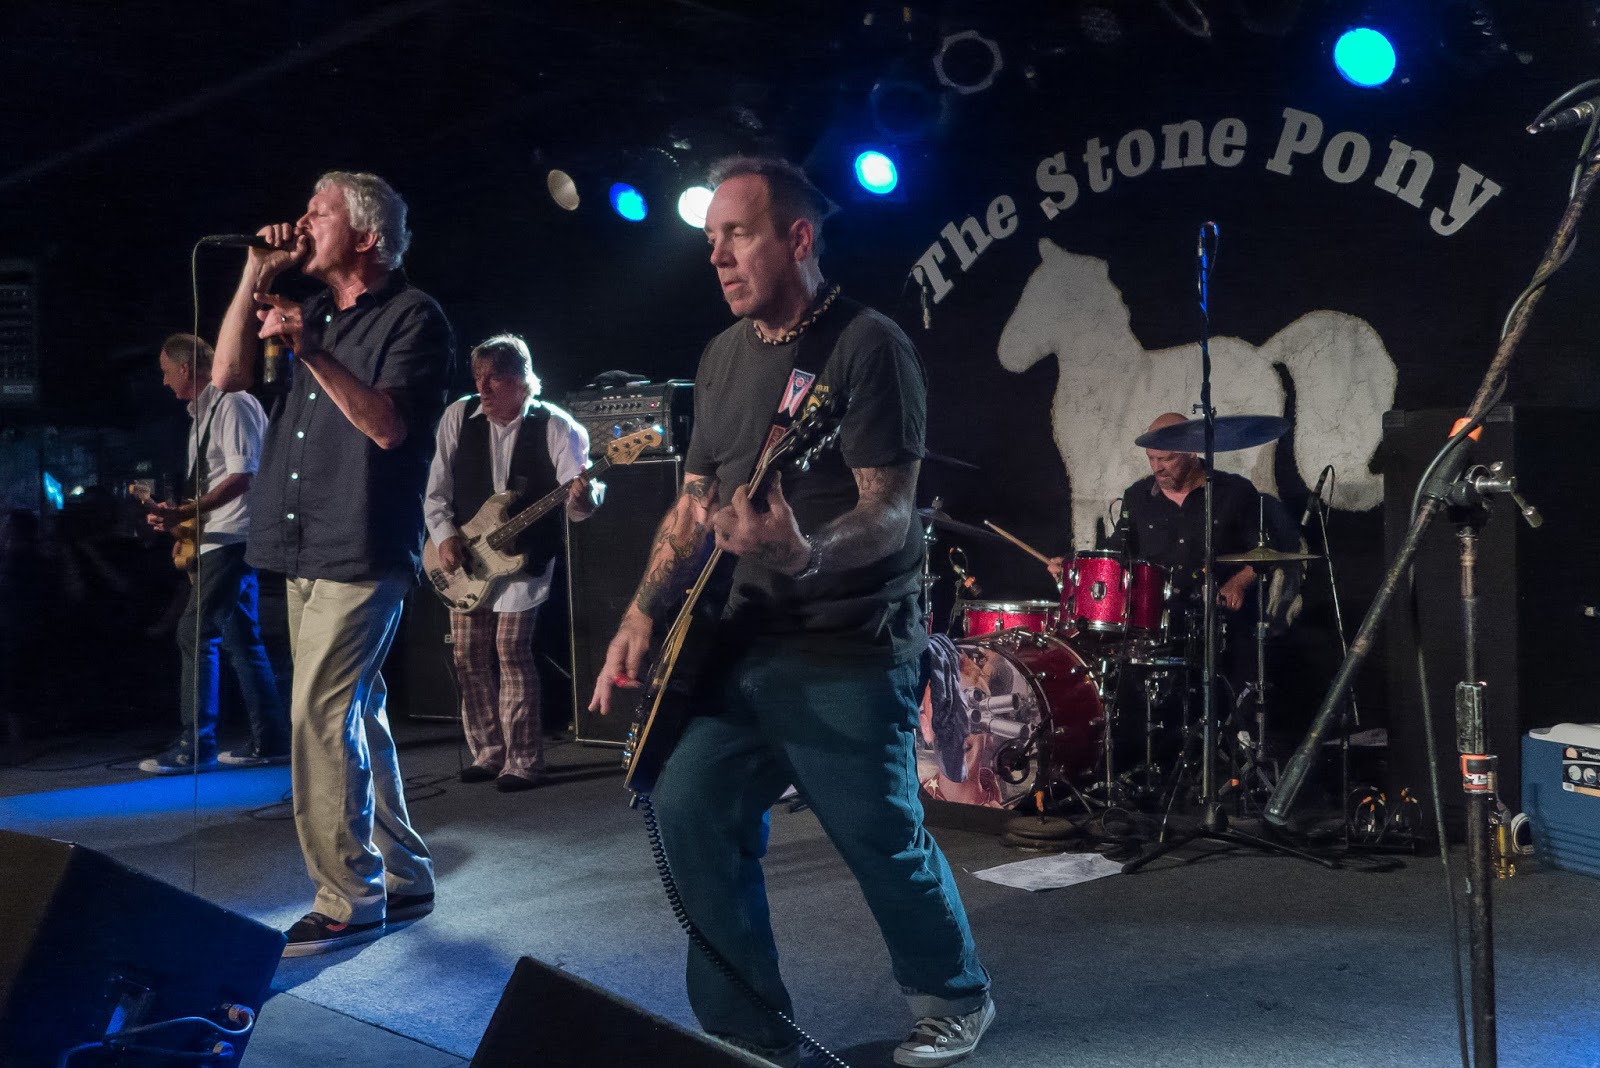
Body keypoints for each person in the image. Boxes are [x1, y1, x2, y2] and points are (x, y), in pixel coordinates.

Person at [589, 157, 992, 1068]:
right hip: (740, 642)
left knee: (877, 835)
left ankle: (953, 994)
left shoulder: (867, 345)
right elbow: (696, 501)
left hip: (848, 642)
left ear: (797, 238)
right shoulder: (722, 356)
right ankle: (747, 1033)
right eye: (710, 243)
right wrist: (646, 608)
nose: (717, 258)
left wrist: (805, 554)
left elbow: (890, 509)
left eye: (736, 236)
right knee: (687, 804)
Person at [211, 171, 453, 957]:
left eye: (319, 211)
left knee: (318, 715)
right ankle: (405, 871)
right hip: (303, 544)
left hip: (362, 548)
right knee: (359, 716)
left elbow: (385, 427)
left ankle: (348, 895)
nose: (301, 219)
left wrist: (309, 353)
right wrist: (254, 271)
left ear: (366, 237)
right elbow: (226, 378)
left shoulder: (414, 318)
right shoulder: (310, 310)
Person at [423, 334, 598, 792]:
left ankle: (522, 761)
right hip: (467, 557)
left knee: (512, 652)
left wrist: (585, 497)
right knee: (467, 656)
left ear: (521, 381)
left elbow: (577, 499)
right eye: (478, 377)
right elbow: (436, 492)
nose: (482, 388)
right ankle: (487, 752)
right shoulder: (457, 417)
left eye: (494, 378)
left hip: (525, 560)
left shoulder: (558, 427)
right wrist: (443, 537)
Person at [139, 333, 287, 774]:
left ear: (186, 368)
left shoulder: (233, 403)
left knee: (193, 632)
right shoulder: (204, 413)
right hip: (222, 536)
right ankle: (272, 738)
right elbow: (216, 480)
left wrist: (186, 510)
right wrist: (177, 518)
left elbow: (244, 475)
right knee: (242, 639)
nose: (165, 382)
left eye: (167, 372)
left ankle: (195, 744)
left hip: (234, 536)